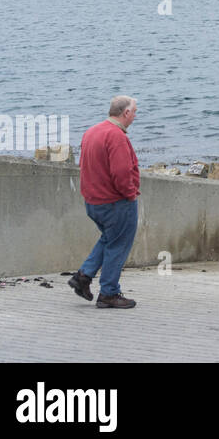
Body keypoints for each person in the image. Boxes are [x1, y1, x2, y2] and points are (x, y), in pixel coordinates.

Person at [69, 95, 141, 309]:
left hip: (93, 201)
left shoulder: (91, 132)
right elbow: (121, 172)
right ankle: (109, 292)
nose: (135, 116)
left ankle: (83, 277)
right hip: (114, 202)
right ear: (125, 113)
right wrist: (130, 194)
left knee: (109, 239)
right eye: (134, 112)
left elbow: (85, 165)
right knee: (118, 245)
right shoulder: (116, 136)